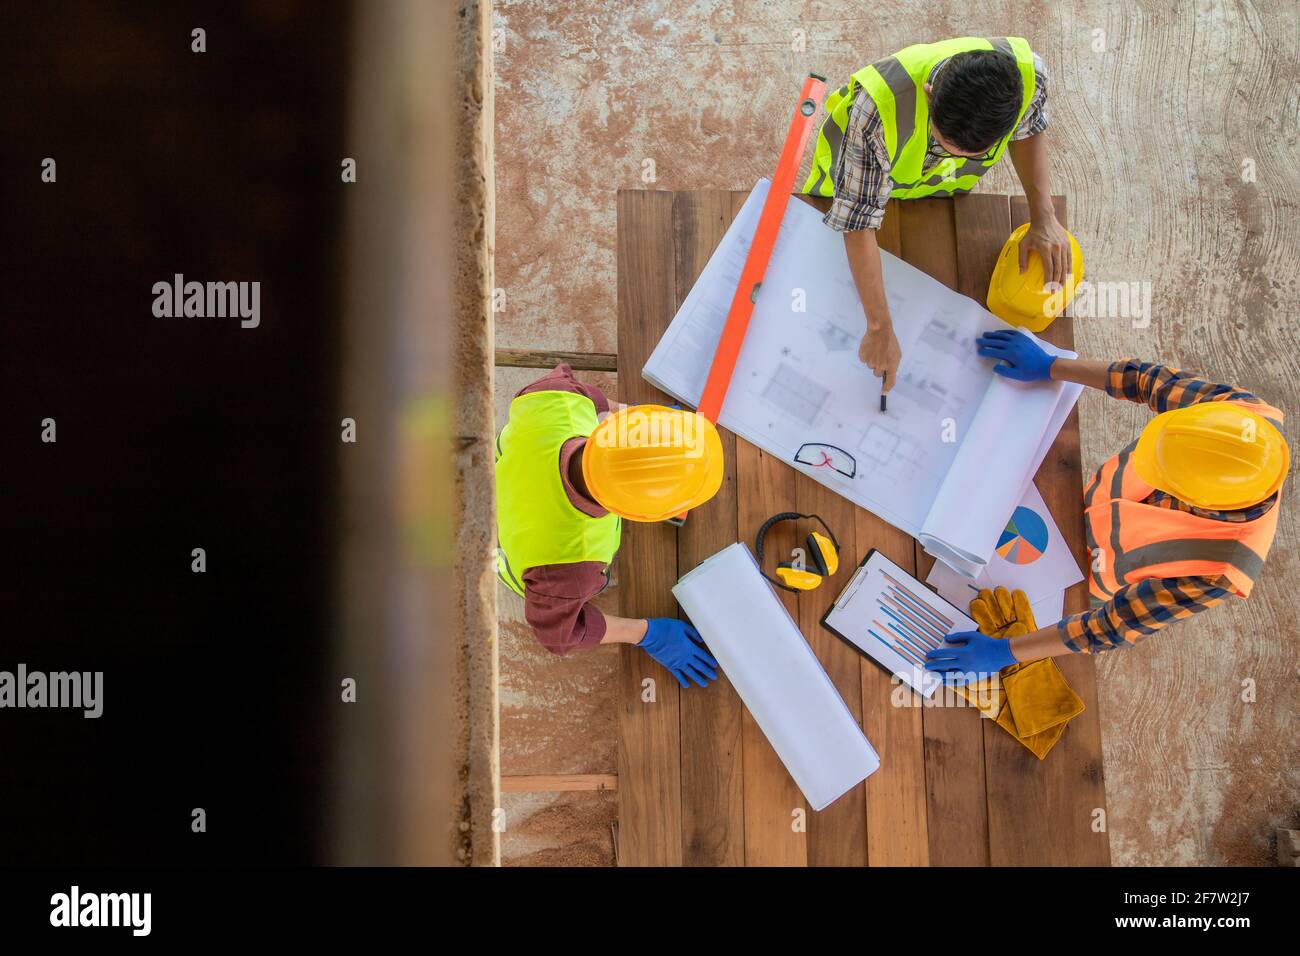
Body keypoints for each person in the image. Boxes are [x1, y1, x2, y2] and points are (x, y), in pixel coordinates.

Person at [924, 331, 1288, 681]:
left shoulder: (1220, 570)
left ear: (1195, 502)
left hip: (1086, 571)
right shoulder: (1235, 420)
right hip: (1071, 500)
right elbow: (1143, 380)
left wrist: (1006, 652)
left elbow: (1113, 626)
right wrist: (1051, 366)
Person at [803, 36, 1071, 396]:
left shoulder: (1029, 77)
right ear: (930, 94)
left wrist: (1044, 217)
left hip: (936, 190)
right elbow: (857, 219)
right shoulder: (876, 108)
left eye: (971, 150)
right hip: (854, 178)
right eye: (947, 141)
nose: (956, 153)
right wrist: (880, 328)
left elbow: (1028, 131)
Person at [495, 364, 723, 688]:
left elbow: (591, 399)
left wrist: (644, 430)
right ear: (639, 516)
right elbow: (558, 636)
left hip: (508, 473)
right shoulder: (573, 569)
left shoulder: (555, 398)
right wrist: (646, 634)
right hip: (510, 547)